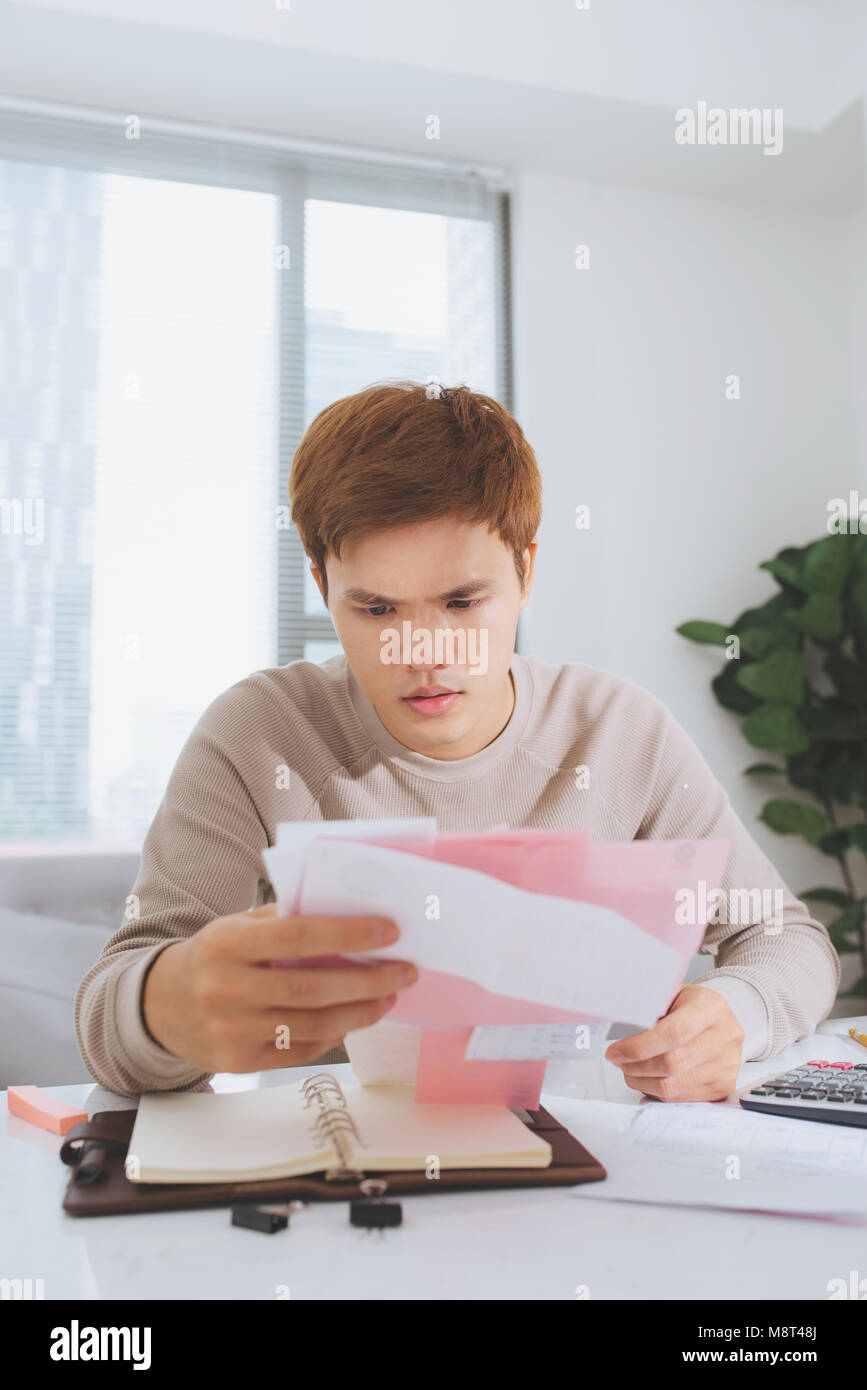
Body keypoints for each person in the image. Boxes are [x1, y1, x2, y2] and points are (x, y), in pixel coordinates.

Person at [74, 380, 840, 1099]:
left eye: (463, 600)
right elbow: (110, 1018)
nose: (423, 653)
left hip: (577, 1165)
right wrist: (162, 1004)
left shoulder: (617, 730)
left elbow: (787, 939)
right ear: (321, 589)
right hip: (345, 1176)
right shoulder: (258, 735)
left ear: (524, 572)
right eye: (376, 611)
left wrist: (737, 1010)